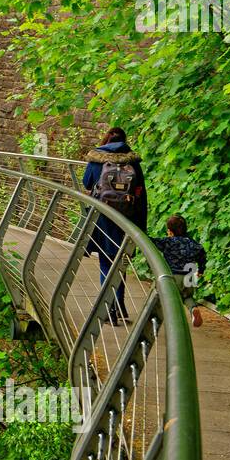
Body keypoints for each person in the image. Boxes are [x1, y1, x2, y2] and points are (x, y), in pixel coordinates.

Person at [81, 126, 148, 324]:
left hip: (103, 217)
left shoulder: (97, 160)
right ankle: (118, 307)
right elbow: (141, 193)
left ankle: (108, 309)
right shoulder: (133, 163)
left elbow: (87, 183)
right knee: (120, 264)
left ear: (106, 139)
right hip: (127, 219)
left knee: (105, 263)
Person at [154, 214, 207, 327]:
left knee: (170, 299)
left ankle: (173, 323)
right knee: (187, 297)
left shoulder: (168, 242)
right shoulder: (193, 243)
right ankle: (193, 309)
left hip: (174, 276)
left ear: (170, 231)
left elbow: (152, 242)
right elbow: (202, 254)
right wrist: (201, 269)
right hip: (190, 276)